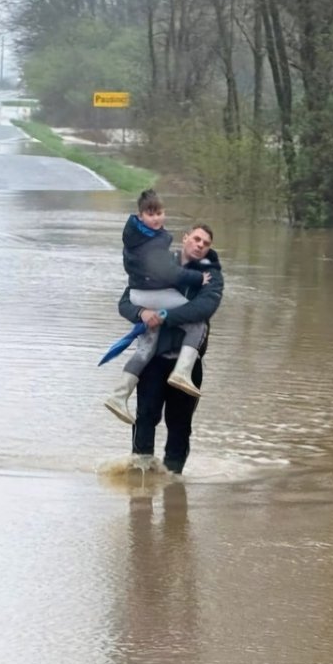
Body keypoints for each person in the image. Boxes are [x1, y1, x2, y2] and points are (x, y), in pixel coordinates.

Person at [117, 224, 222, 474]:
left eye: (205, 243)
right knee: (145, 419)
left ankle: (173, 483)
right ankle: (139, 481)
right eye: (196, 239)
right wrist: (141, 313)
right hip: (153, 361)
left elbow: (203, 309)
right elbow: (126, 301)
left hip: (188, 364)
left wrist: (163, 315)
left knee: (180, 426)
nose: (199, 245)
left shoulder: (212, 275)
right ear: (185, 238)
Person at [104, 190, 211, 424]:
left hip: (139, 294)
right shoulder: (151, 241)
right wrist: (197, 280)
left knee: (146, 347)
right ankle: (182, 372)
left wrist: (149, 313)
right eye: (151, 214)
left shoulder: (136, 237)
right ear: (140, 216)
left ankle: (118, 395)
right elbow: (168, 272)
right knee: (197, 323)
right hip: (150, 294)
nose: (156, 219)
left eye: (160, 213)